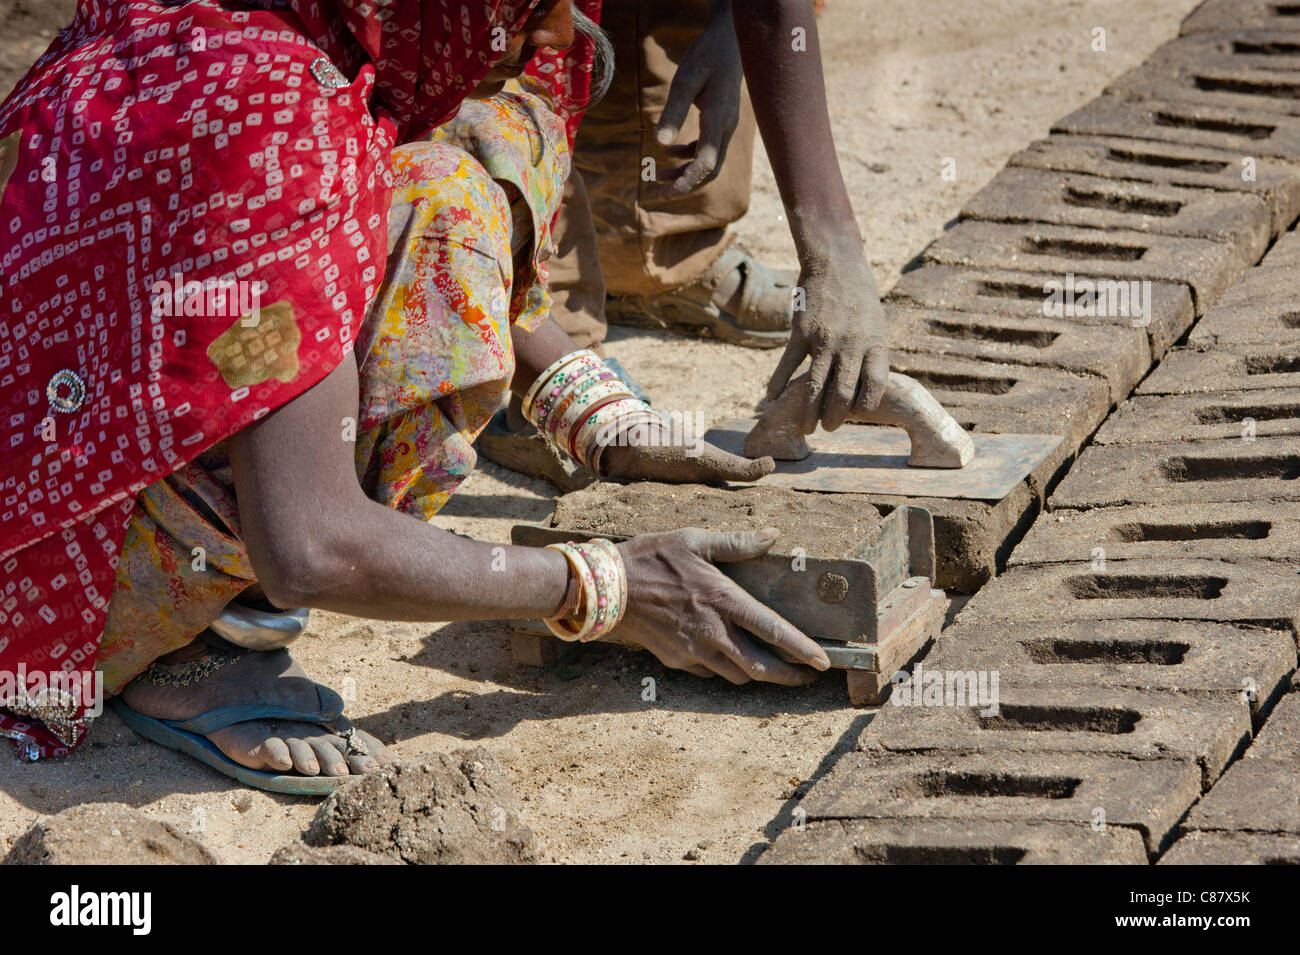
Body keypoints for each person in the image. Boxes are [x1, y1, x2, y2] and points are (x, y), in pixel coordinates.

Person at [0, 0, 848, 791]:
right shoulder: (277, 133)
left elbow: (334, 258)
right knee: (453, 192)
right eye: (529, 11)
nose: (553, 37)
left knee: (454, 163)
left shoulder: (277, 30)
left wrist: (605, 418)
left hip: (56, 423)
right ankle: (191, 655)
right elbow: (311, 544)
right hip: (40, 587)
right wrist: (612, 585)